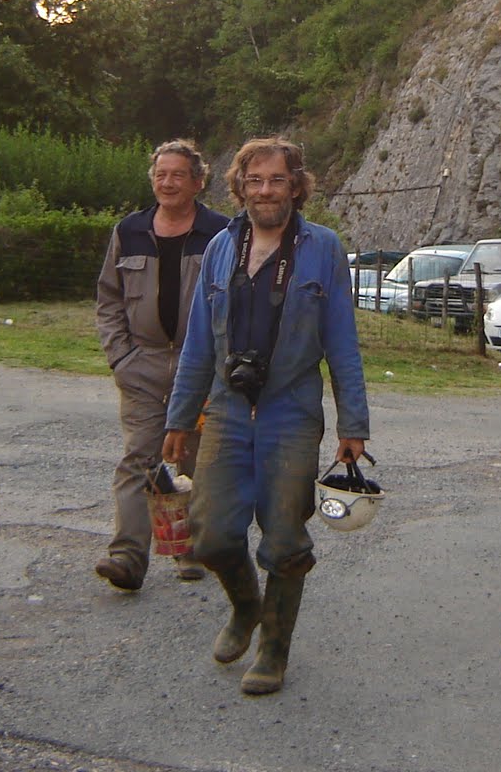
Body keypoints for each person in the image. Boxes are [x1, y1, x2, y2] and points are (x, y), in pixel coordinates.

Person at [162, 137, 369, 696]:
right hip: (227, 410)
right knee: (208, 534)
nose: (265, 191)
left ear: (296, 185)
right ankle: (246, 607)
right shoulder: (220, 250)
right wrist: (179, 421)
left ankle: (273, 650)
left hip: (291, 412)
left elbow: (342, 344)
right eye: (254, 181)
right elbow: (199, 347)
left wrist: (354, 426)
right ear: (239, 187)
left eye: (277, 180)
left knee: (283, 540)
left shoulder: (323, 248)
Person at [94, 139, 229, 591]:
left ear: (197, 181)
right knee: (140, 459)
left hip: (202, 366)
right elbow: (108, 300)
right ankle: (127, 556)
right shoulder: (128, 231)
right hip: (142, 365)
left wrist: (221, 368)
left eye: (177, 174)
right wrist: (121, 358)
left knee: (195, 459)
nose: (166, 182)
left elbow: (235, 305)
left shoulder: (222, 233)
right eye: (160, 174)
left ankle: (189, 546)